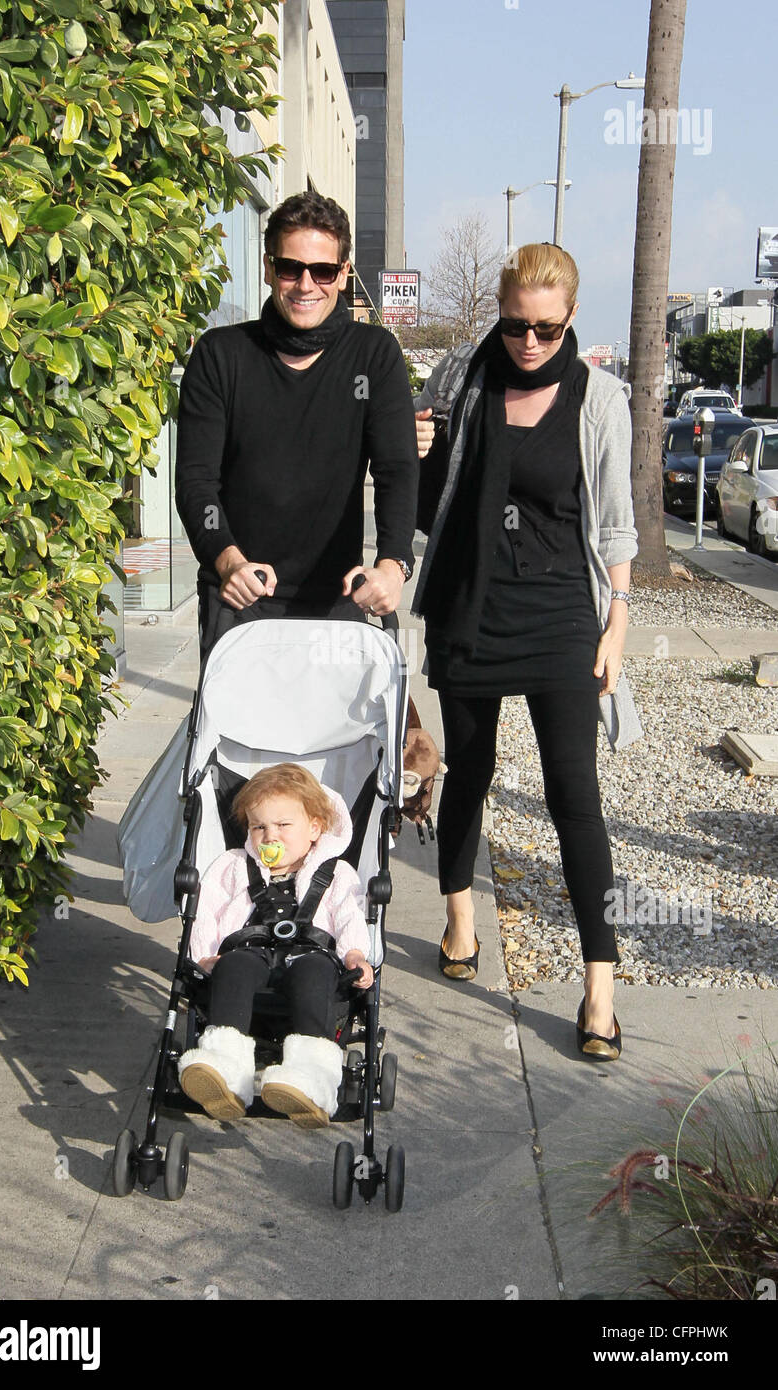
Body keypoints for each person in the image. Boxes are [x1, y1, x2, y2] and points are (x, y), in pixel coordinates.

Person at [412, 243, 641, 1061]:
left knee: (572, 793)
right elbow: (425, 506)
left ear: (570, 317)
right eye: (514, 325)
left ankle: (599, 987)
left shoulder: (598, 399)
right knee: (468, 771)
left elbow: (613, 520)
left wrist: (617, 619)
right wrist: (419, 451)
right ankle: (459, 917)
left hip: (558, 616)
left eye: (546, 327)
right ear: (499, 316)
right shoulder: (464, 385)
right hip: (470, 610)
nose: (529, 342)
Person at [175, 191, 418, 661]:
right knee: (238, 735)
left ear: (344, 274)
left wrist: (392, 565)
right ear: (269, 268)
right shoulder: (221, 355)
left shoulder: (375, 354)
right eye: (291, 268)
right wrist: (228, 560)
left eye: (323, 271)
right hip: (239, 598)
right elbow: (195, 481)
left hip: (340, 601)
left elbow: (397, 470)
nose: (306, 284)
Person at [177, 764, 374, 1127]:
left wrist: (355, 955)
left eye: (283, 826)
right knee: (231, 966)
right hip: (249, 951)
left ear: (315, 828)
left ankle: (310, 1078)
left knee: (314, 975)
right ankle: (225, 1069)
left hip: (313, 955)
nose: (270, 837)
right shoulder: (234, 866)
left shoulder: (335, 873)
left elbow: (350, 916)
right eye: (258, 827)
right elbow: (207, 911)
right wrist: (204, 955)